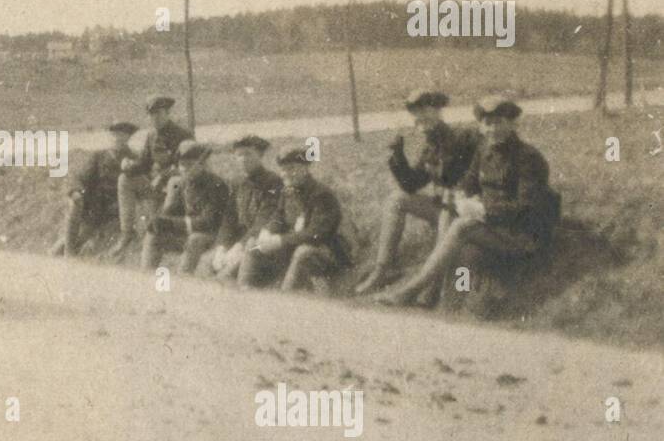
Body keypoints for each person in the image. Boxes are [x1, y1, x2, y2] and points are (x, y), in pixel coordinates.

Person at [375, 97, 558, 308]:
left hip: (521, 234)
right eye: (487, 123)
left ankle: (411, 291)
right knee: (450, 207)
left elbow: (526, 208)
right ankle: (435, 293)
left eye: (499, 122)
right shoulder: (485, 151)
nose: (493, 129)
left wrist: (482, 210)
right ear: (481, 126)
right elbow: (467, 183)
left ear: (513, 123)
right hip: (494, 228)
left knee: (463, 226)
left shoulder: (527, 158)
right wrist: (460, 196)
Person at [355, 90, 479, 295]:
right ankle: (383, 269)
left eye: (425, 111)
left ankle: (433, 286)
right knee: (397, 199)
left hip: (465, 210)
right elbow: (412, 185)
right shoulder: (431, 147)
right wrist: (398, 156)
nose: (420, 117)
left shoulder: (461, 138)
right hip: (444, 208)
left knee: (447, 208)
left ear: (439, 110)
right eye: (415, 113)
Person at [239, 148, 351, 293]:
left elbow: (316, 234)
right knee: (254, 244)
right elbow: (279, 216)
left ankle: (287, 297)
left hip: (326, 251)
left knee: (303, 252)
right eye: (283, 170)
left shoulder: (321, 195)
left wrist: (280, 240)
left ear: (305, 169)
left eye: (291, 169)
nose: (286, 174)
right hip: (294, 245)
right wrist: (267, 231)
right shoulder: (288, 191)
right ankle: (241, 291)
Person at [113, 94, 193, 256]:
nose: (155, 118)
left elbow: (186, 166)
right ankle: (127, 233)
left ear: (168, 113)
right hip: (154, 184)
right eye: (152, 115)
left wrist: (162, 177)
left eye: (159, 113)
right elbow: (144, 163)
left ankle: (162, 234)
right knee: (124, 179)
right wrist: (129, 166)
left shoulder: (182, 135)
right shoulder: (151, 135)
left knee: (174, 183)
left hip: (176, 185)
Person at [50, 120, 139, 257]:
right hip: (93, 206)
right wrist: (75, 191)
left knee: (82, 237)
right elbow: (80, 177)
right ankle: (66, 254)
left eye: (122, 135)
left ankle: (65, 255)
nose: (117, 139)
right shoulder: (99, 156)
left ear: (128, 137)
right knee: (74, 213)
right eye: (114, 135)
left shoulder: (134, 158)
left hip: (114, 208)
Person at [141, 140, 228, 273]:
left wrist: (172, 224)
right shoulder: (183, 183)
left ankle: (183, 278)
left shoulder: (216, 185)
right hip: (187, 232)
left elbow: (209, 221)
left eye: (190, 164)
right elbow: (172, 211)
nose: (185, 169)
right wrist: (158, 220)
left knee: (195, 239)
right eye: (182, 165)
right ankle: (146, 276)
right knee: (153, 233)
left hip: (210, 235)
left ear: (202, 165)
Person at [210, 135, 283, 285]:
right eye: (239, 155)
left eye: (248, 154)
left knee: (223, 278)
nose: (243, 159)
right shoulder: (238, 183)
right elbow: (228, 219)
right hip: (241, 243)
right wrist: (222, 247)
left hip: (261, 244)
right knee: (207, 263)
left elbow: (264, 219)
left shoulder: (272, 181)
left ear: (260, 155)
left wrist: (238, 247)